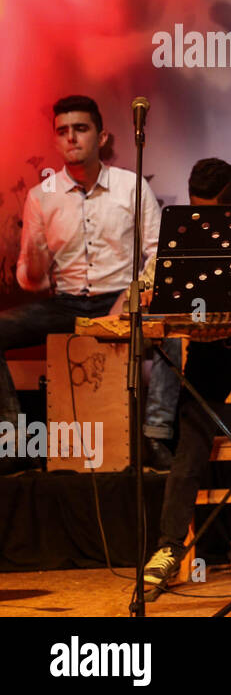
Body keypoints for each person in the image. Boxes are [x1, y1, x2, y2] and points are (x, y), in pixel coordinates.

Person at [2, 96, 163, 474]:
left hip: (120, 299)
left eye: (81, 128)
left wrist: (133, 294)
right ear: (56, 141)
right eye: (63, 131)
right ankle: (12, 442)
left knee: (172, 336)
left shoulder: (131, 186)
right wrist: (37, 261)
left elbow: (159, 254)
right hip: (67, 304)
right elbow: (31, 278)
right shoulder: (41, 197)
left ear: (102, 136)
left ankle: (155, 438)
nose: (72, 138)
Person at [142, 159, 231, 600]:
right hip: (204, 358)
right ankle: (168, 548)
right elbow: (146, 287)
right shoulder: (180, 240)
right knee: (189, 451)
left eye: (210, 211)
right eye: (194, 209)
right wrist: (145, 293)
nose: (200, 219)